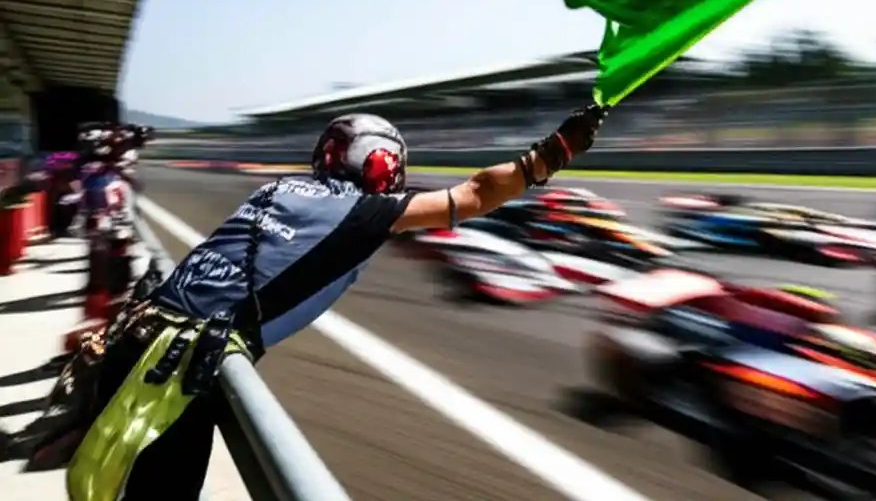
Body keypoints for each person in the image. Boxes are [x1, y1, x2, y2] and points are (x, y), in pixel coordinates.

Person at [12, 104, 606, 500]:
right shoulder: (369, 212)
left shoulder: (274, 189)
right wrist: (553, 151)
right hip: (179, 371)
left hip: (133, 335)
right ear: (381, 164)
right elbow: (476, 193)